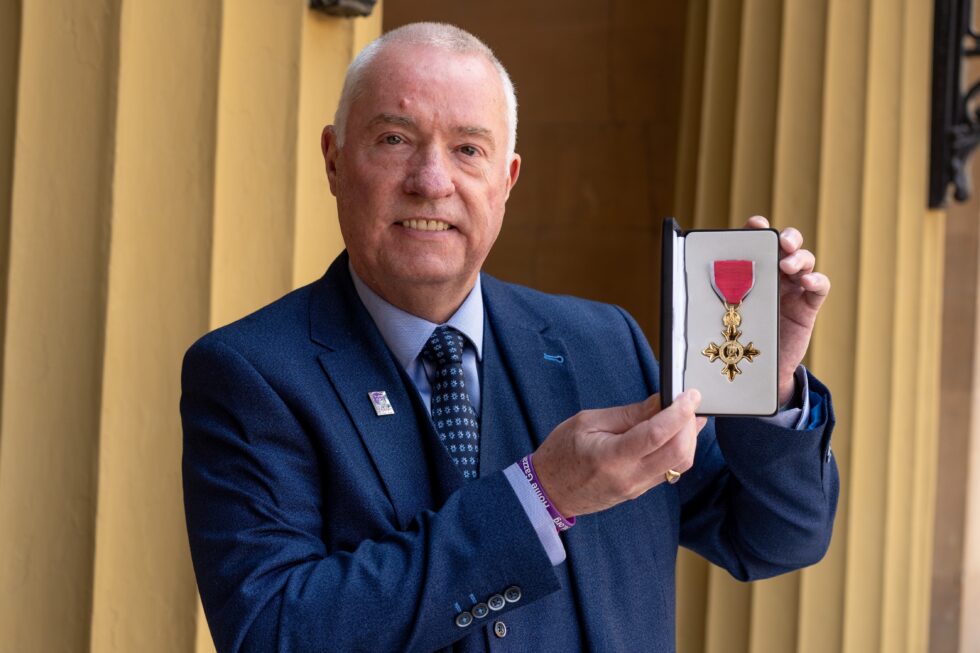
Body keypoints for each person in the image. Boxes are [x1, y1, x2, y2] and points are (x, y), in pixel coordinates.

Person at [181, 22, 838, 653]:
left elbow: (774, 538)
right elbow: (274, 631)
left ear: (507, 180)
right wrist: (539, 497)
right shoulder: (251, 373)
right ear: (333, 160)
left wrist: (770, 384)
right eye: (394, 139)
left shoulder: (605, 342)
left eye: (468, 148)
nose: (432, 180)